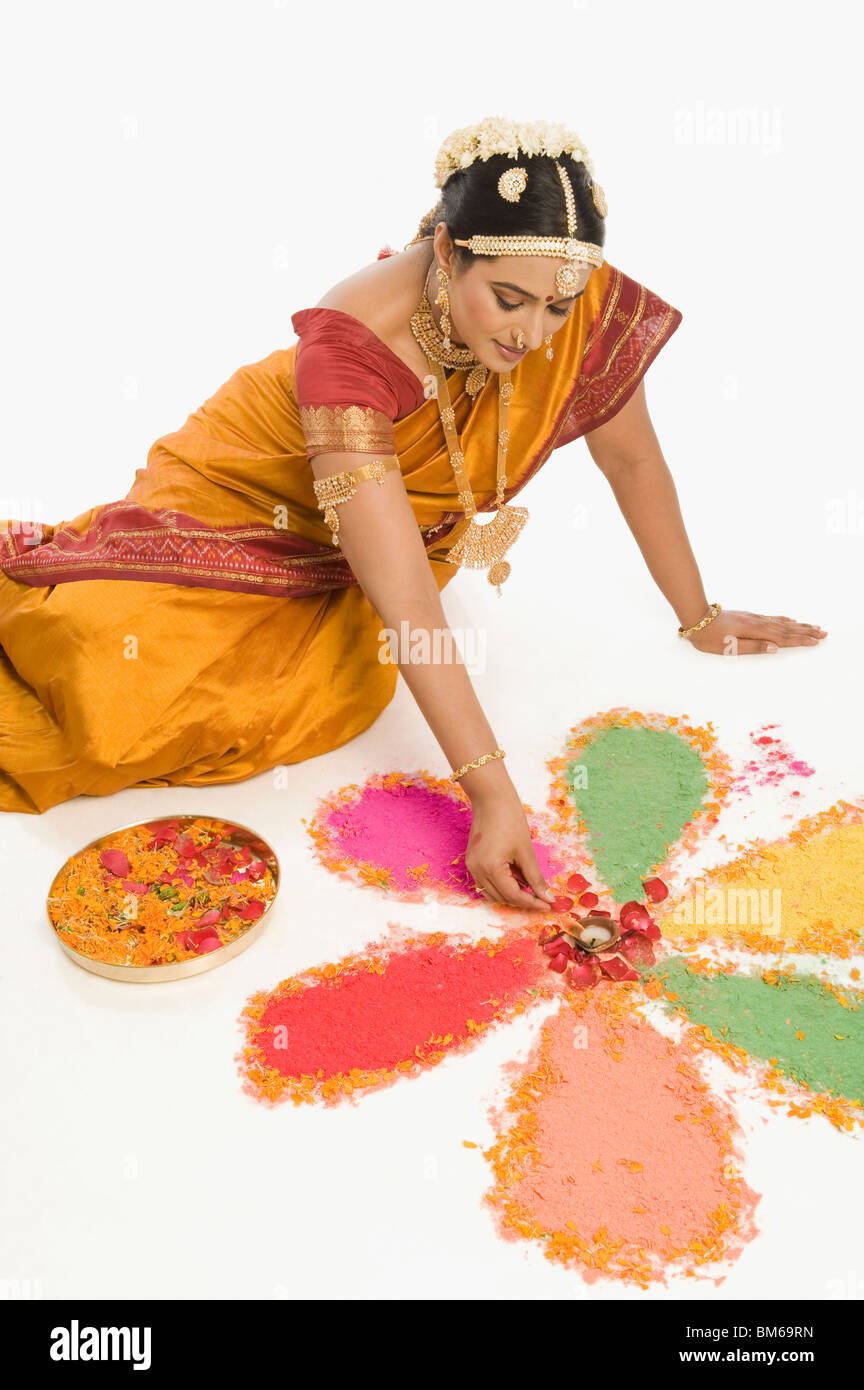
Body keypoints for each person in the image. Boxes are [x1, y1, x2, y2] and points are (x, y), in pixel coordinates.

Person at [0, 117, 826, 911]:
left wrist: (701, 617)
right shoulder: (353, 345)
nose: (535, 333)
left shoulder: (562, 275)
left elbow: (632, 458)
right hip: (245, 491)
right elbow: (408, 607)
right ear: (444, 250)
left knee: (323, 696)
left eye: (558, 308)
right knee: (108, 694)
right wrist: (493, 795)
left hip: (390, 533)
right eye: (509, 299)